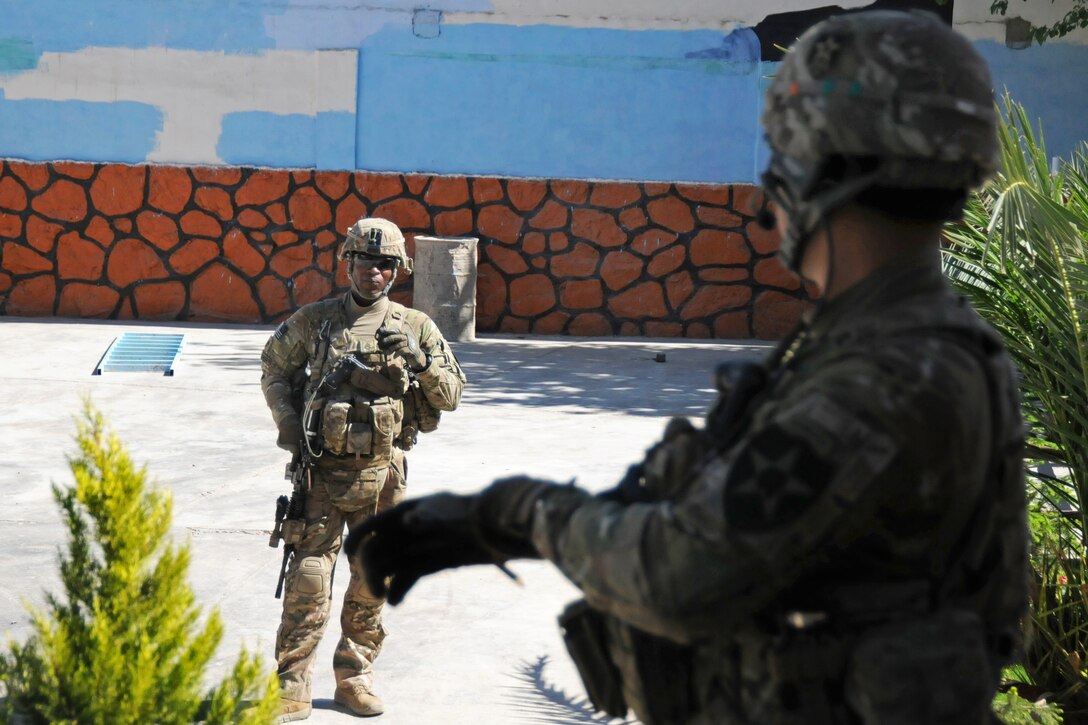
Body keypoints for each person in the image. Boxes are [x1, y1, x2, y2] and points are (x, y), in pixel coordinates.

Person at [345, 10, 1028, 725]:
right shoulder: (913, 345)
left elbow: (676, 571)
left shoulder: (884, 376)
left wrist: (512, 514)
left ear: (822, 175)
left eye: (785, 157)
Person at [260, 217, 467, 722]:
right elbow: (274, 368)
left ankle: (354, 676)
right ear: (348, 262)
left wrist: (420, 362)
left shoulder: (416, 327)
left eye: (385, 264)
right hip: (321, 475)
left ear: (398, 270)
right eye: (365, 261)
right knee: (309, 578)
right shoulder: (315, 321)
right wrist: (289, 423)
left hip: (382, 476)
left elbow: (452, 396)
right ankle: (292, 680)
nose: (374, 272)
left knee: (374, 579)